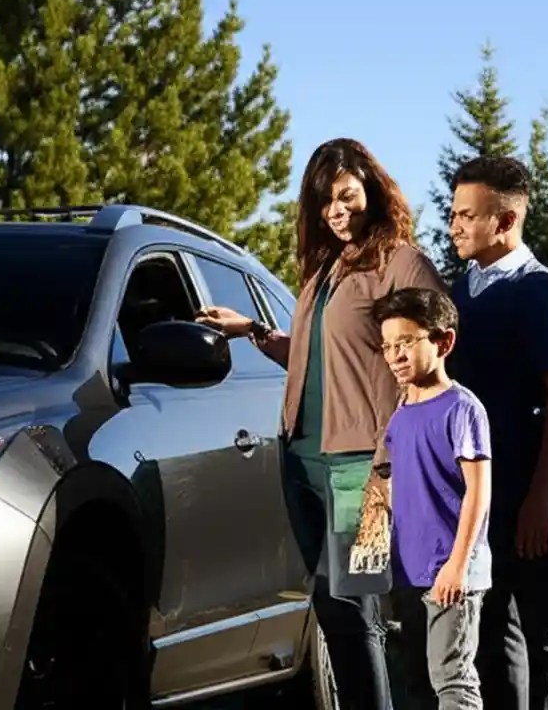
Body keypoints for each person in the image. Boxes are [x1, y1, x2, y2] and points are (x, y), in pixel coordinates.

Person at [196, 137, 444, 709]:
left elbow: (433, 363)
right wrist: (253, 331)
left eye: (347, 196)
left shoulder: (401, 263)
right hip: (302, 464)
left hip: (364, 468)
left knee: (354, 608)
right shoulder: (326, 269)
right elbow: (315, 357)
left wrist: (393, 458)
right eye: (325, 201)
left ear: (372, 191)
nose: (336, 210)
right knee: (333, 612)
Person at [444, 156, 548, 709]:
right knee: (491, 629)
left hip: (529, 492)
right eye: (454, 213)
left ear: (505, 221)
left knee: (546, 629)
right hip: (476, 498)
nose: (454, 225)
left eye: (467, 215)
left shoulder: (543, 294)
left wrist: (541, 495)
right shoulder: (458, 292)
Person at [374, 286, 492, 710]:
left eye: (405, 343)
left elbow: (479, 490)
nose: (395, 356)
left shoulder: (462, 408)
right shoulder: (400, 414)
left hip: (449, 574)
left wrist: (458, 566)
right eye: (387, 346)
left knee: (452, 679)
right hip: (408, 573)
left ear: (443, 342)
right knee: (417, 683)